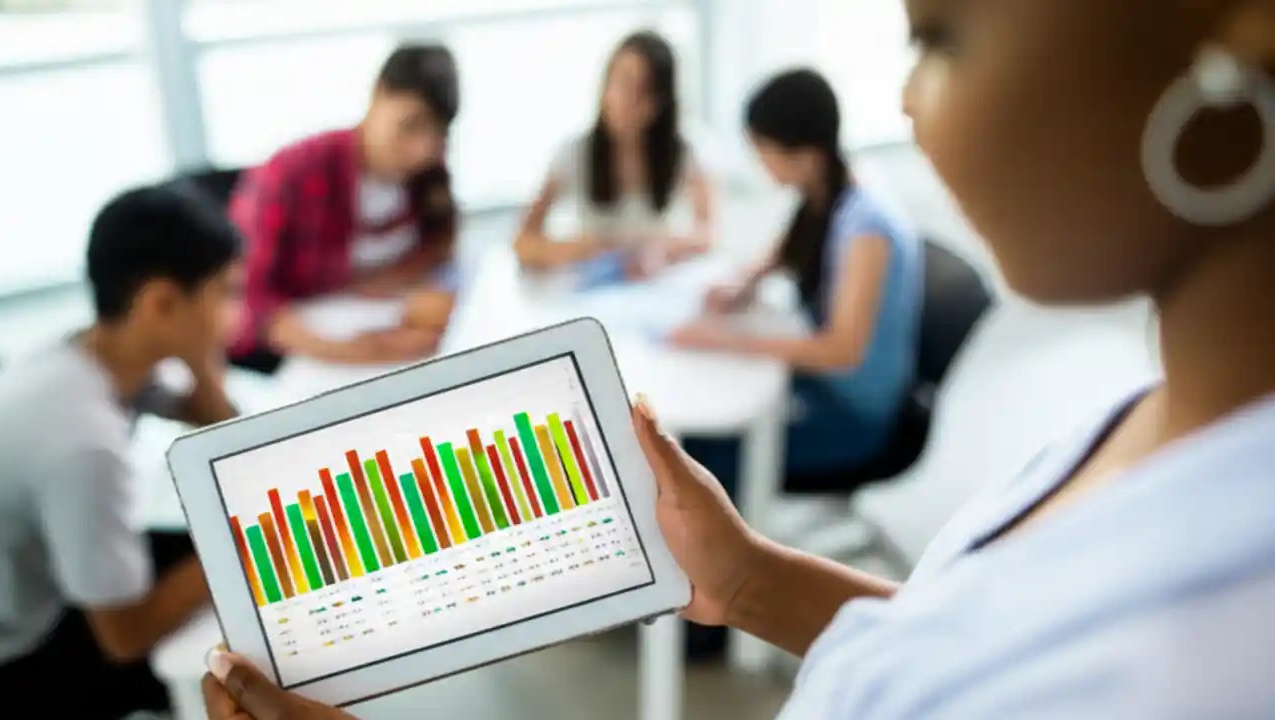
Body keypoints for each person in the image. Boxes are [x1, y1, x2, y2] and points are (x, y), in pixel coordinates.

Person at [203, 0, 1275, 716]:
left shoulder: (1200, 663)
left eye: (935, 37)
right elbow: (959, 644)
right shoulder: (1154, 413)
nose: (902, 102)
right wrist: (756, 580)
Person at [0, 184, 242, 718]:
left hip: (41, 580)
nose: (232, 312)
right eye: (223, 292)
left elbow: (219, 423)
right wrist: (246, 542)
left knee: (194, 549)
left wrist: (200, 350)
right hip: (19, 651)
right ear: (160, 303)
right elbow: (124, 637)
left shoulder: (87, 354)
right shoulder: (84, 441)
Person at [675, 69, 923, 502]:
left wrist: (730, 340)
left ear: (802, 154)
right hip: (822, 387)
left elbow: (841, 350)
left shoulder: (867, 227)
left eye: (762, 151)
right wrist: (741, 287)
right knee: (698, 425)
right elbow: (785, 251)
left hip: (855, 419)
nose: (759, 163)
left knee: (698, 458)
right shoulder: (827, 191)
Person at [229, 44, 462, 372]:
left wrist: (399, 301)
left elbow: (437, 248)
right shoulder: (294, 172)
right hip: (310, 355)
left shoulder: (429, 176)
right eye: (410, 126)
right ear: (378, 94)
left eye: (437, 134)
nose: (422, 150)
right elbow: (245, 297)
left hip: (391, 333)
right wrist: (357, 351)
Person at [514, 30, 713, 282]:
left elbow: (707, 232)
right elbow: (523, 242)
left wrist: (661, 250)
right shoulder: (574, 152)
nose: (628, 101)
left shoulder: (685, 150)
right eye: (622, 83)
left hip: (656, 283)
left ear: (662, 101)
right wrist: (585, 249)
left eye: (644, 91)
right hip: (592, 283)